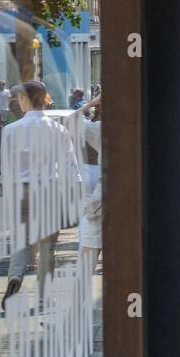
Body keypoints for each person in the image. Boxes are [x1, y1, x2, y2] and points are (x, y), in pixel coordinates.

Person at [2, 80, 79, 307]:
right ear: (44, 99)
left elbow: (5, 168)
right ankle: (45, 295)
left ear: (25, 100)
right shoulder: (58, 129)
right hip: (48, 188)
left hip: (20, 189)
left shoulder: (10, 130)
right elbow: (69, 165)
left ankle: (15, 277)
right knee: (47, 247)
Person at [76, 93, 103, 274]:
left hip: (101, 199)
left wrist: (91, 103)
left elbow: (70, 121)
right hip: (133, 199)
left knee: (86, 261)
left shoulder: (102, 129)